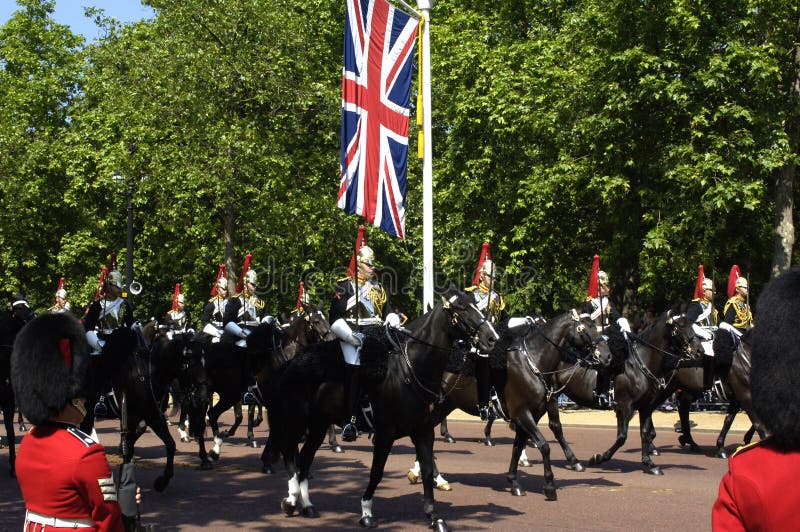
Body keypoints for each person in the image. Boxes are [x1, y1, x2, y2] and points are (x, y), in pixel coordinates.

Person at [12, 312, 141, 531]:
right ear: (69, 397)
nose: (84, 400)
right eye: (80, 397)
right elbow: (107, 520)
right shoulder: (86, 453)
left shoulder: (27, 443)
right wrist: (123, 505)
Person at [712, 269, 800, 530]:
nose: (745, 290)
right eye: (743, 287)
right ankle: (717, 380)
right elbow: (726, 324)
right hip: (730, 335)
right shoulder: (731, 304)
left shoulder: (747, 472)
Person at [330, 234, 400, 442]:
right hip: (354, 336)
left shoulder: (378, 287)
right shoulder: (345, 286)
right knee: (355, 368)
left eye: (373, 264)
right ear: (359, 264)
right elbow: (335, 317)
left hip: (377, 335)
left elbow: (387, 310)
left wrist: (392, 318)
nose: (373, 268)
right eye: (369, 264)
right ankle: (350, 421)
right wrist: (351, 336)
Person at [465, 244, 507, 421]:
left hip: (493, 339)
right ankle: (484, 404)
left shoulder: (497, 297)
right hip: (475, 340)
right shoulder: (471, 295)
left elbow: (503, 319)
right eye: (491, 276)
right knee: (483, 360)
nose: (494, 280)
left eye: (495, 277)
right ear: (482, 276)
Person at [583, 255, 630, 408]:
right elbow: (587, 322)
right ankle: (601, 392)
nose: (606, 288)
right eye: (604, 286)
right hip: (595, 336)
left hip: (608, 334)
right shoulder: (590, 303)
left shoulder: (607, 302)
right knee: (603, 360)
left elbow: (614, 316)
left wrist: (621, 320)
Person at [222, 254, 272, 345]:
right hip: (240, 336)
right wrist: (244, 334)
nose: (255, 287)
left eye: (255, 285)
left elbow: (265, 316)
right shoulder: (236, 300)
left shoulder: (259, 301)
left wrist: (268, 320)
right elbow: (227, 322)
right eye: (252, 284)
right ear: (245, 283)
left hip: (257, 336)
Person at [83, 270, 134, 355]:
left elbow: (130, 323)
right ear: (109, 286)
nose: (119, 289)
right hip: (103, 341)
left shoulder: (124, 304)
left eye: (120, 287)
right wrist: (98, 345)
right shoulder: (97, 305)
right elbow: (88, 328)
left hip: (121, 342)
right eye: (116, 286)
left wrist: (135, 326)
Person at [684, 265, 718, 389]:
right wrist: (704, 334)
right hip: (701, 339)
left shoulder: (712, 308)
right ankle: (708, 387)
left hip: (713, 338)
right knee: (710, 353)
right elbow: (688, 323)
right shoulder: (697, 305)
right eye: (711, 290)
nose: (714, 292)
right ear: (704, 290)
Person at [200, 264, 229, 345]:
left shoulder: (230, 302)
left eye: (226, 289)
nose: (225, 291)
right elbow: (204, 321)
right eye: (223, 289)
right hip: (215, 332)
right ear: (217, 289)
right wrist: (216, 332)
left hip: (228, 331)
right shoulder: (212, 303)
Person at [720, 265, 753, 337]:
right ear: (737, 289)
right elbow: (727, 322)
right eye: (744, 287)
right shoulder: (733, 302)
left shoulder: (746, 305)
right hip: (736, 334)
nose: (747, 289)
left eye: (747, 287)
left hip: (746, 334)